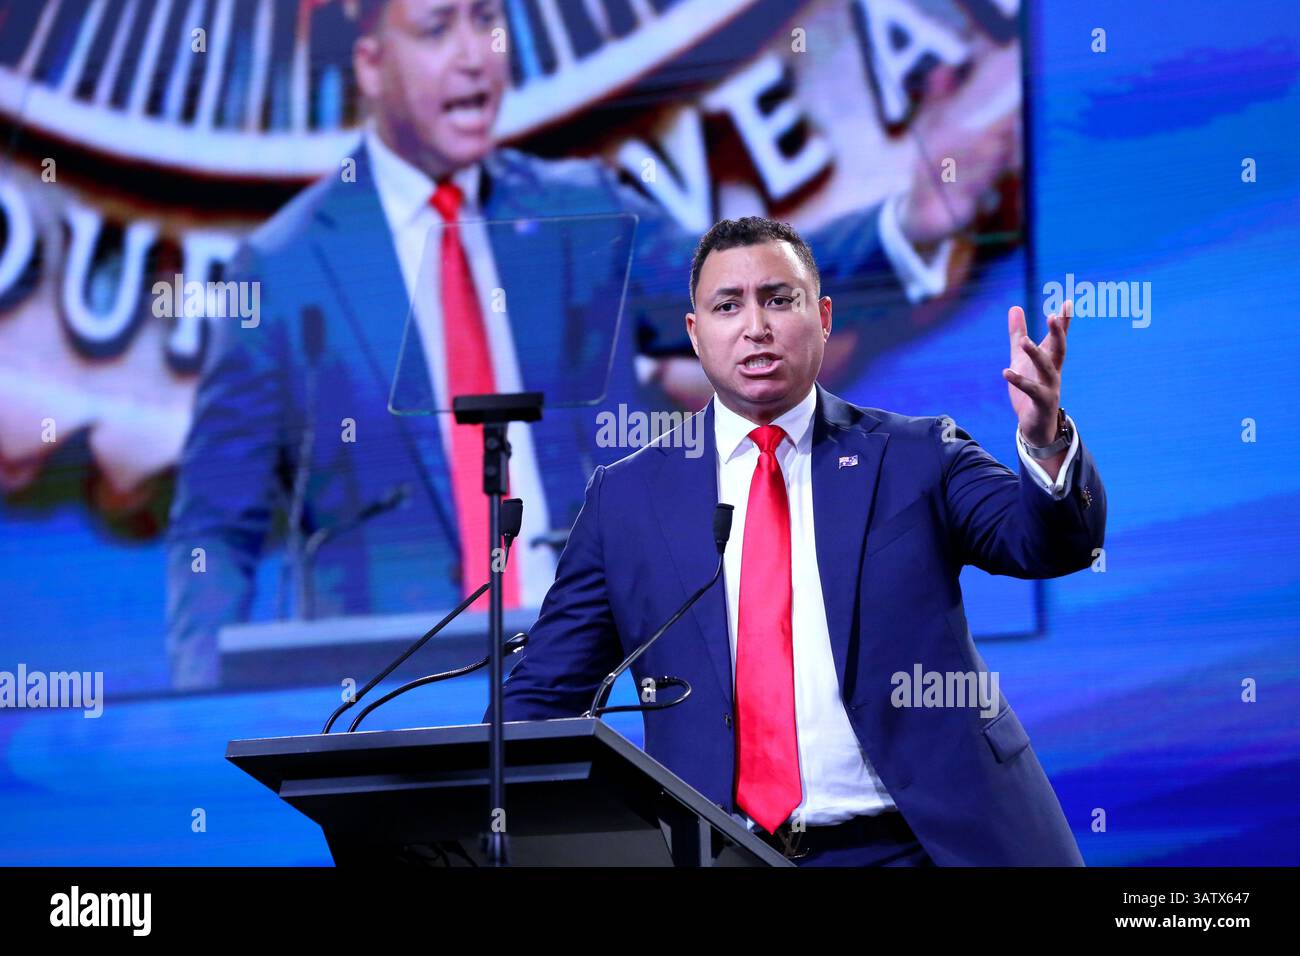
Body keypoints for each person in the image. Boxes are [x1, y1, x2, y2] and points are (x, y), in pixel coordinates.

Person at [166, 0, 1018, 689]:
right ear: (370, 63)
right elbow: (216, 525)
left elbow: (735, 285)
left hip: (602, 674)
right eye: (438, 28)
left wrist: (914, 218)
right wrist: (198, 713)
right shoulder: (283, 270)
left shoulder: (579, 214)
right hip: (396, 699)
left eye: (488, 21)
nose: (476, 56)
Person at [496, 217, 1106, 866]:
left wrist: (1044, 441)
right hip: (729, 855)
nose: (755, 326)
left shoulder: (916, 453)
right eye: (728, 305)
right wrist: (457, 787)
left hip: (920, 847)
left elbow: (1049, 544)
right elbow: (544, 695)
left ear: (822, 317)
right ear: (696, 336)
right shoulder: (627, 498)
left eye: (778, 299)